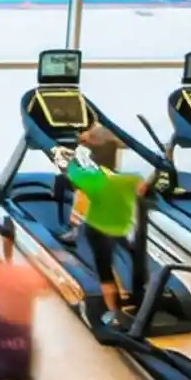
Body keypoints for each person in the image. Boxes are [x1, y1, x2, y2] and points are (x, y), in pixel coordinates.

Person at [65, 125, 146, 327]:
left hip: (98, 228)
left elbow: (70, 170)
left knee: (105, 273)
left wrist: (77, 144)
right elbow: (143, 189)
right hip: (122, 225)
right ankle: (139, 302)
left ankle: (114, 313)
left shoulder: (90, 177)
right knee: (131, 260)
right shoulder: (131, 179)